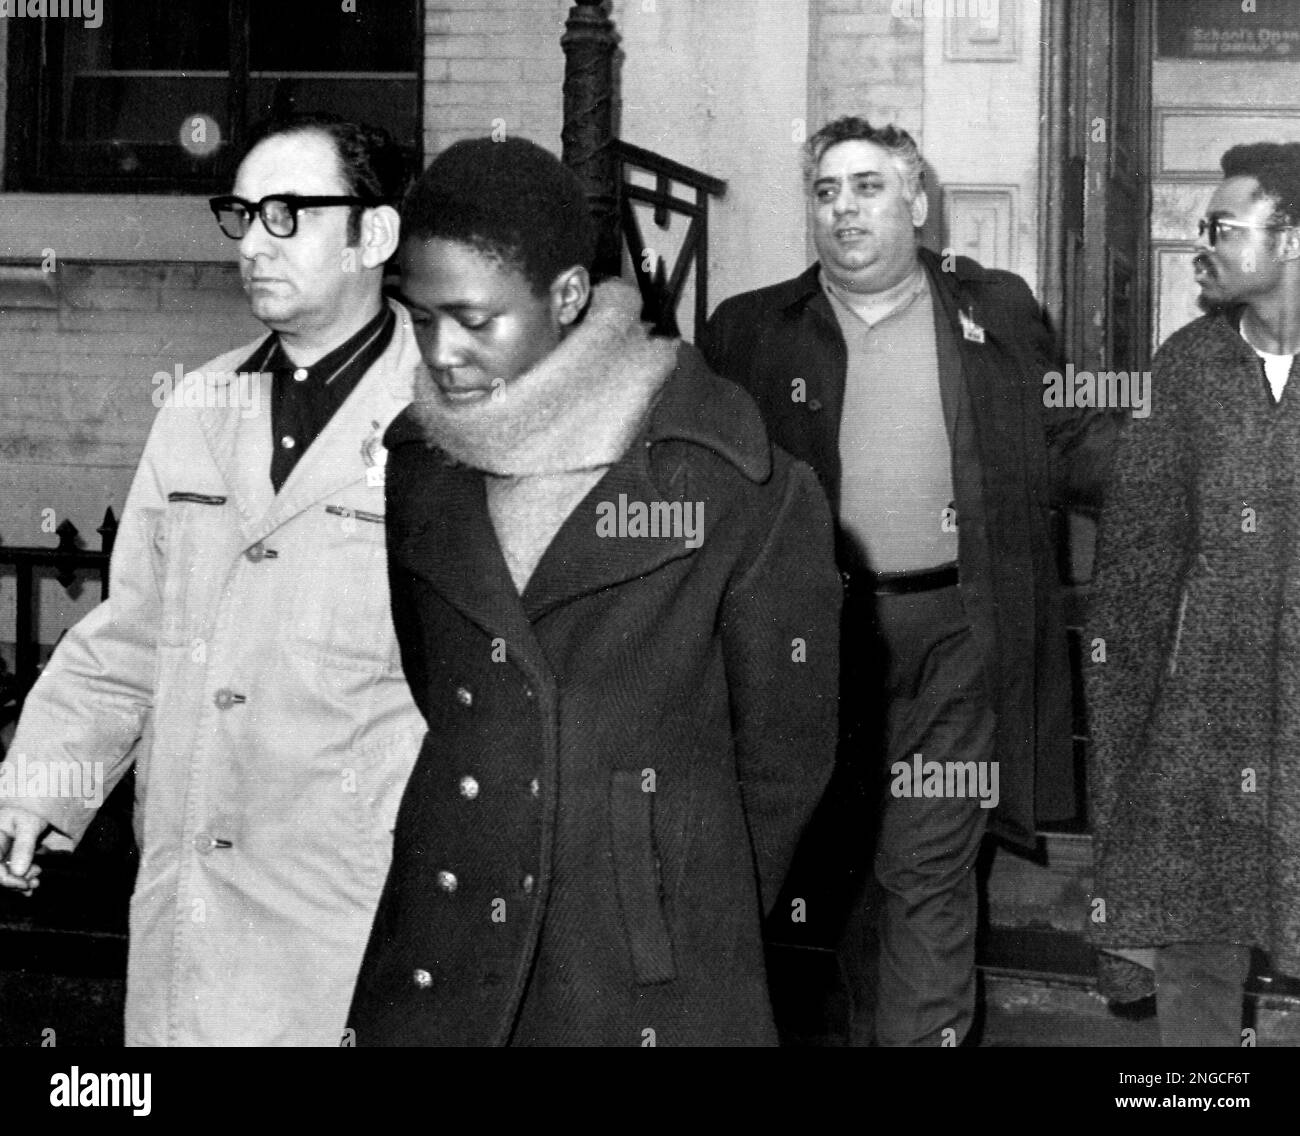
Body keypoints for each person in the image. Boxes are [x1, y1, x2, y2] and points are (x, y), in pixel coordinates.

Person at [345, 136, 841, 1046]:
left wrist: (665, 885)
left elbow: (787, 755)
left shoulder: (733, 482)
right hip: (448, 935)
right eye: (420, 320)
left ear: (567, 296)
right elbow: (446, 690)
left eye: (474, 319)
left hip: (643, 972)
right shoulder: (422, 467)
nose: (442, 352)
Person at [0, 112, 426, 1046]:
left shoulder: (441, 421)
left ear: (376, 235)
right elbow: (132, 632)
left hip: (347, 920)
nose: (255, 244)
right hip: (191, 914)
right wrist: (37, 786)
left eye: (289, 213)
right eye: (243, 214)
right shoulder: (200, 404)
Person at [699, 116, 1105, 1047]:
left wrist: (1183, 465)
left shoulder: (995, 310)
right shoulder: (751, 332)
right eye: (827, 190)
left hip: (958, 634)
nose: (845, 208)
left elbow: (1064, 436)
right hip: (813, 648)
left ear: (917, 201)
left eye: (869, 186)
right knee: (822, 872)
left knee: (928, 867)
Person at [1087, 141, 1300, 1046]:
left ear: (1289, 237)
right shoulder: (1186, 370)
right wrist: (1135, 723)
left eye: (1220, 226)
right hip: (1208, 722)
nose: (1198, 244)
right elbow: (1135, 567)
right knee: (1199, 963)